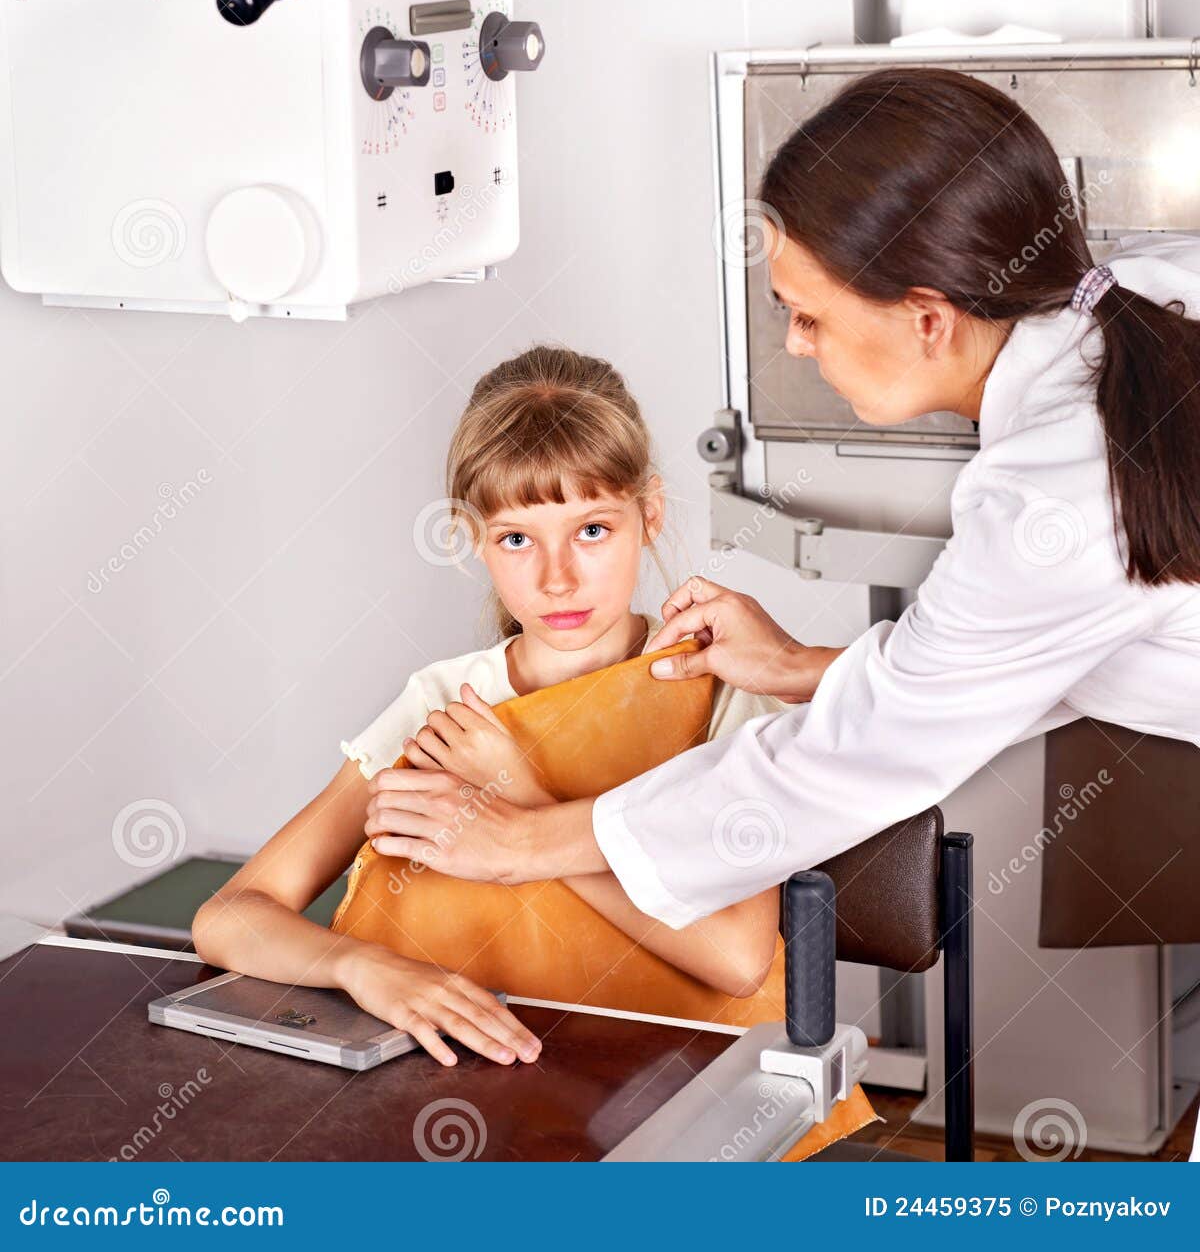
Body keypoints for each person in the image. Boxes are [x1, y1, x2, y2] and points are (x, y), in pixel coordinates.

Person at [366, 69, 1200, 1162]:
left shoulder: (1054, 488)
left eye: (807, 315)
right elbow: (975, 669)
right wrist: (804, 662)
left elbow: (837, 768)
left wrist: (524, 836)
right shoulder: (1131, 301)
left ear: (929, 317)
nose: (798, 344)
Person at [192, 344, 784, 1066]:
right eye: (516, 539)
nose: (558, 578)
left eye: (592, 530)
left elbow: (736, 956)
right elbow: (230, 918)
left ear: (650, 514)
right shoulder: (439, 706)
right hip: (461, 1080)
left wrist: (522, 808)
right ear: (475, 538)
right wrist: (364, 967)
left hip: (669, 1087)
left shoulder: (718, 687)